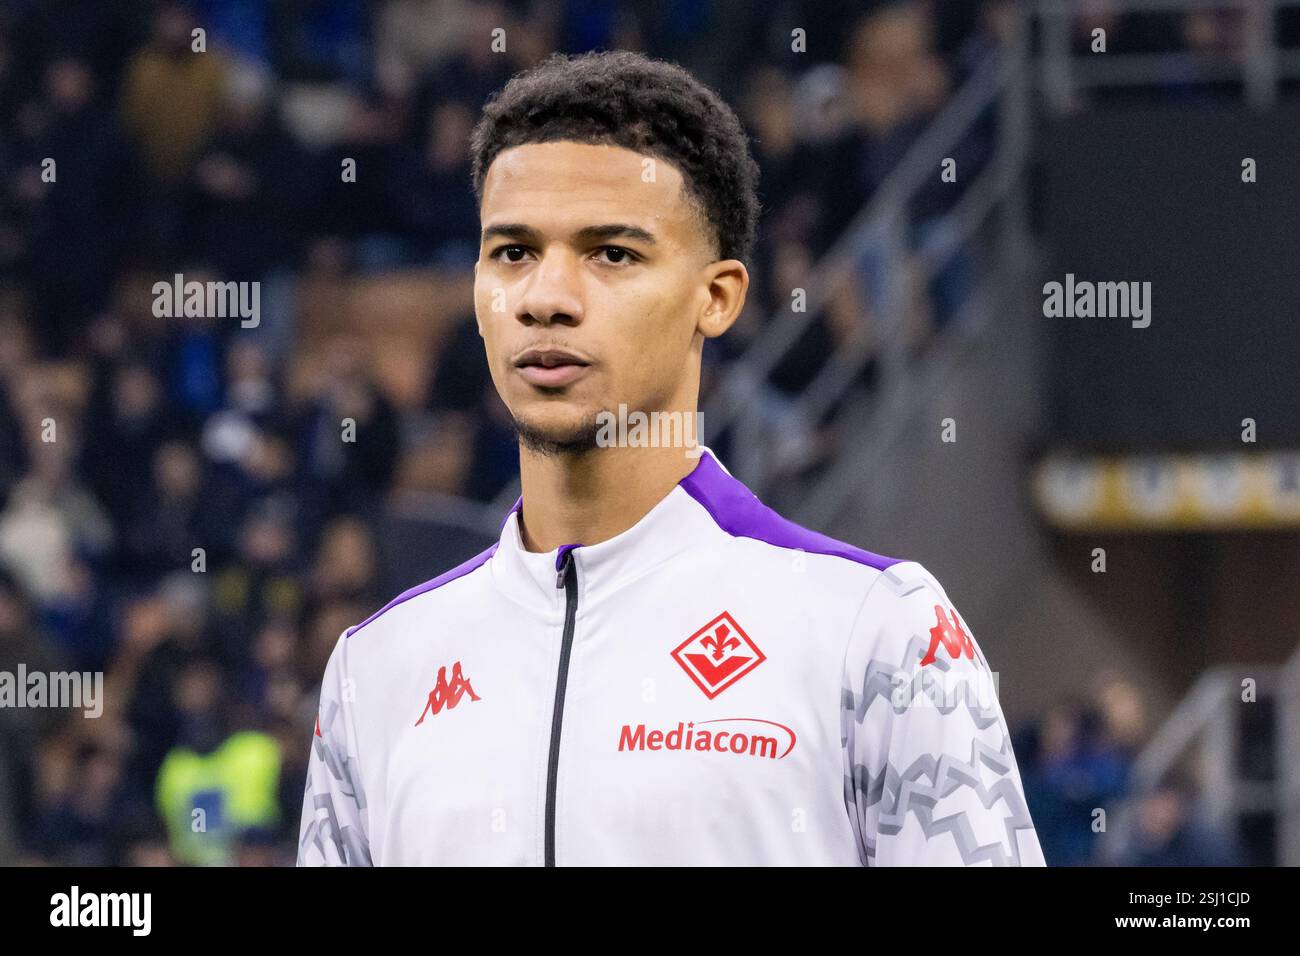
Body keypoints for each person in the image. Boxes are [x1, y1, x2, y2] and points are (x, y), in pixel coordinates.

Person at [298, 50, 1044, 867]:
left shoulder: (880, 635)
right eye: (512, 252)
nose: (547, 297)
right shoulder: (376, 673)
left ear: (716, 296)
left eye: (611, 254)